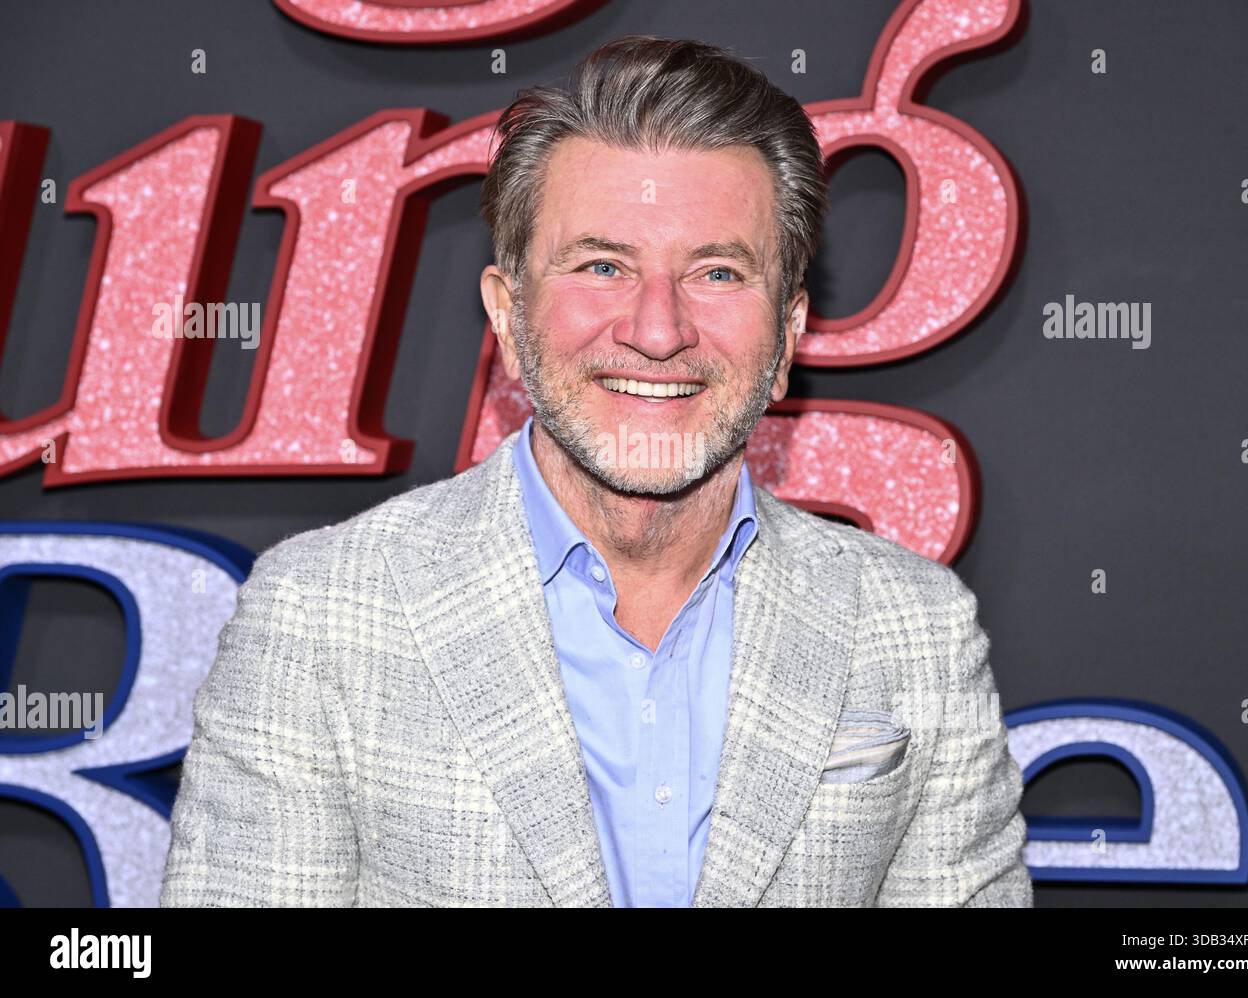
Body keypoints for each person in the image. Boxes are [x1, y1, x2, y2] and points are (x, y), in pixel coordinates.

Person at [160, 34, 1032, 907]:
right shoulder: (319, 616)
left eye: (718, 271)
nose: (658, 331)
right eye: (602, 266)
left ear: (788, 334)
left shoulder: (915, 630)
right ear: (508, 316)